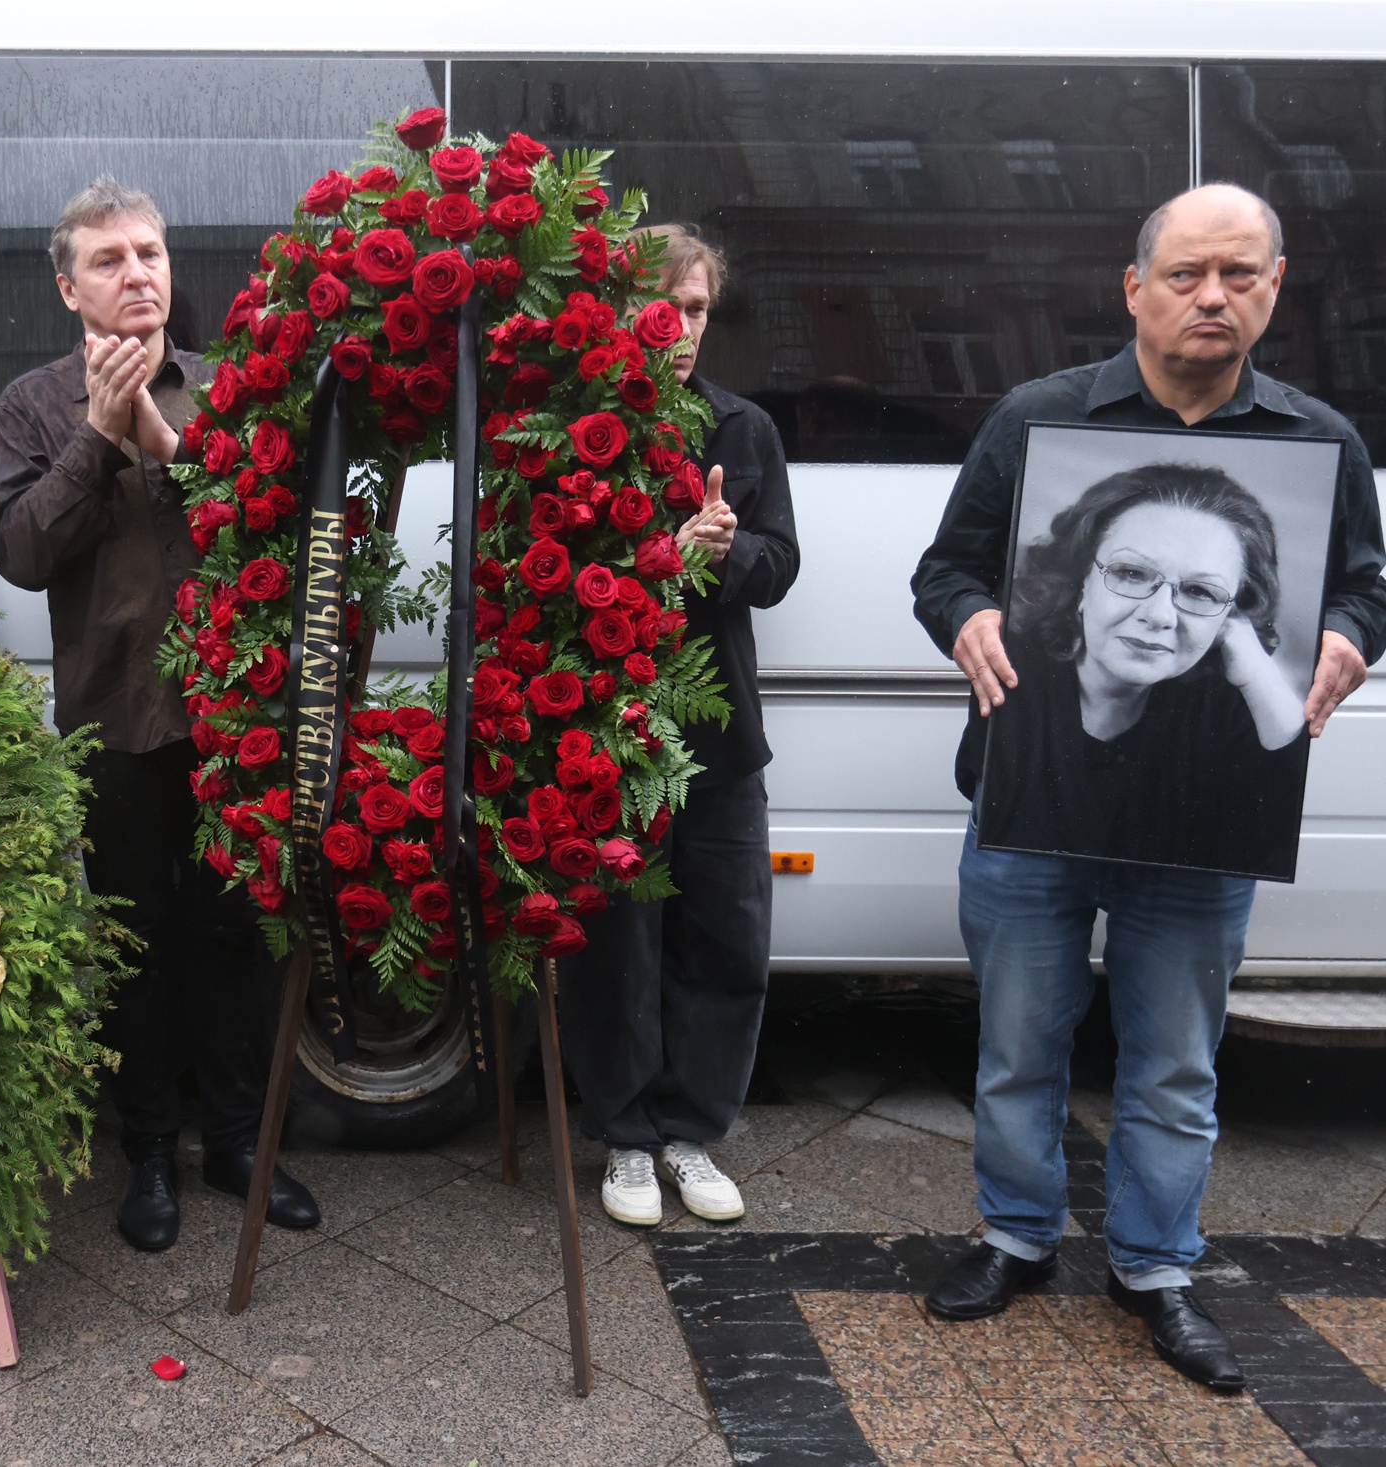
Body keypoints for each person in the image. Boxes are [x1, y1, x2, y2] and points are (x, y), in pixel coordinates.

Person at [911, 183, 1386, 1391]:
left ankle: (1156, 1267)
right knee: (1021, 1043)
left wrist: (1345, 636)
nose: (1211, 296)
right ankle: (1013, 1240)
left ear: (1275, 287)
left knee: (1175, 1057)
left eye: (1239, 274)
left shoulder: (1320, 443)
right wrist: (966, 617)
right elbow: (947, 569)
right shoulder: (1036, 418)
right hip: (1032, 801)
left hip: (1206, 813)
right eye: (1185, 274)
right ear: (1135, 288)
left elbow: (1368, 589)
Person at [0, 177, 319, 1252]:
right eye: (109, 260)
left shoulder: (227, 389)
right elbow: (22, 556)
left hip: (232, 718)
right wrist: (93, 437)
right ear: (67, 288)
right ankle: (148, 1156)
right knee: (133, 940)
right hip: (112, 716)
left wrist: (166, 443)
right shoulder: (30, 406)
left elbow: (270, 533)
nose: (136, 274)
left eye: (149, 254)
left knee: (234, 935)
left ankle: (238, 1146)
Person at [561, 224, 800, 1228]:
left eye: (698, 310)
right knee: (620, 941)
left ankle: (691, 1135)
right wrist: (655, 551)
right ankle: (623, 1138)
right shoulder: (576, 432)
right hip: (608, 732)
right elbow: (545, 583)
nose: (682, 329)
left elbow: (782, 567)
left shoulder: (741, 431)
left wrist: (727, 547)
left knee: (725, 930)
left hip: (719, 735)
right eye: (663, 308)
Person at [982, 461, 1309, 876]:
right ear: (1080, 581)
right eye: (1132, 574)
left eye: (1199, 591)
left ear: (1232, 614)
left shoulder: (1232, 699)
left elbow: (1267, 840)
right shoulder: (1015, 671)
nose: (1159, 616)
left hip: (1180, 886)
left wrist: (1258, 676)